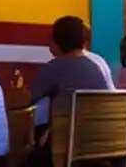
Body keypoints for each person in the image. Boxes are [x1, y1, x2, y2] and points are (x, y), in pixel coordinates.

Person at [26, 16, 114, 166]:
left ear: (56, 42)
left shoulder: (54, 67)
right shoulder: (95, 67)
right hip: (97, 148)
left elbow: (29, 99)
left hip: (64, 149)